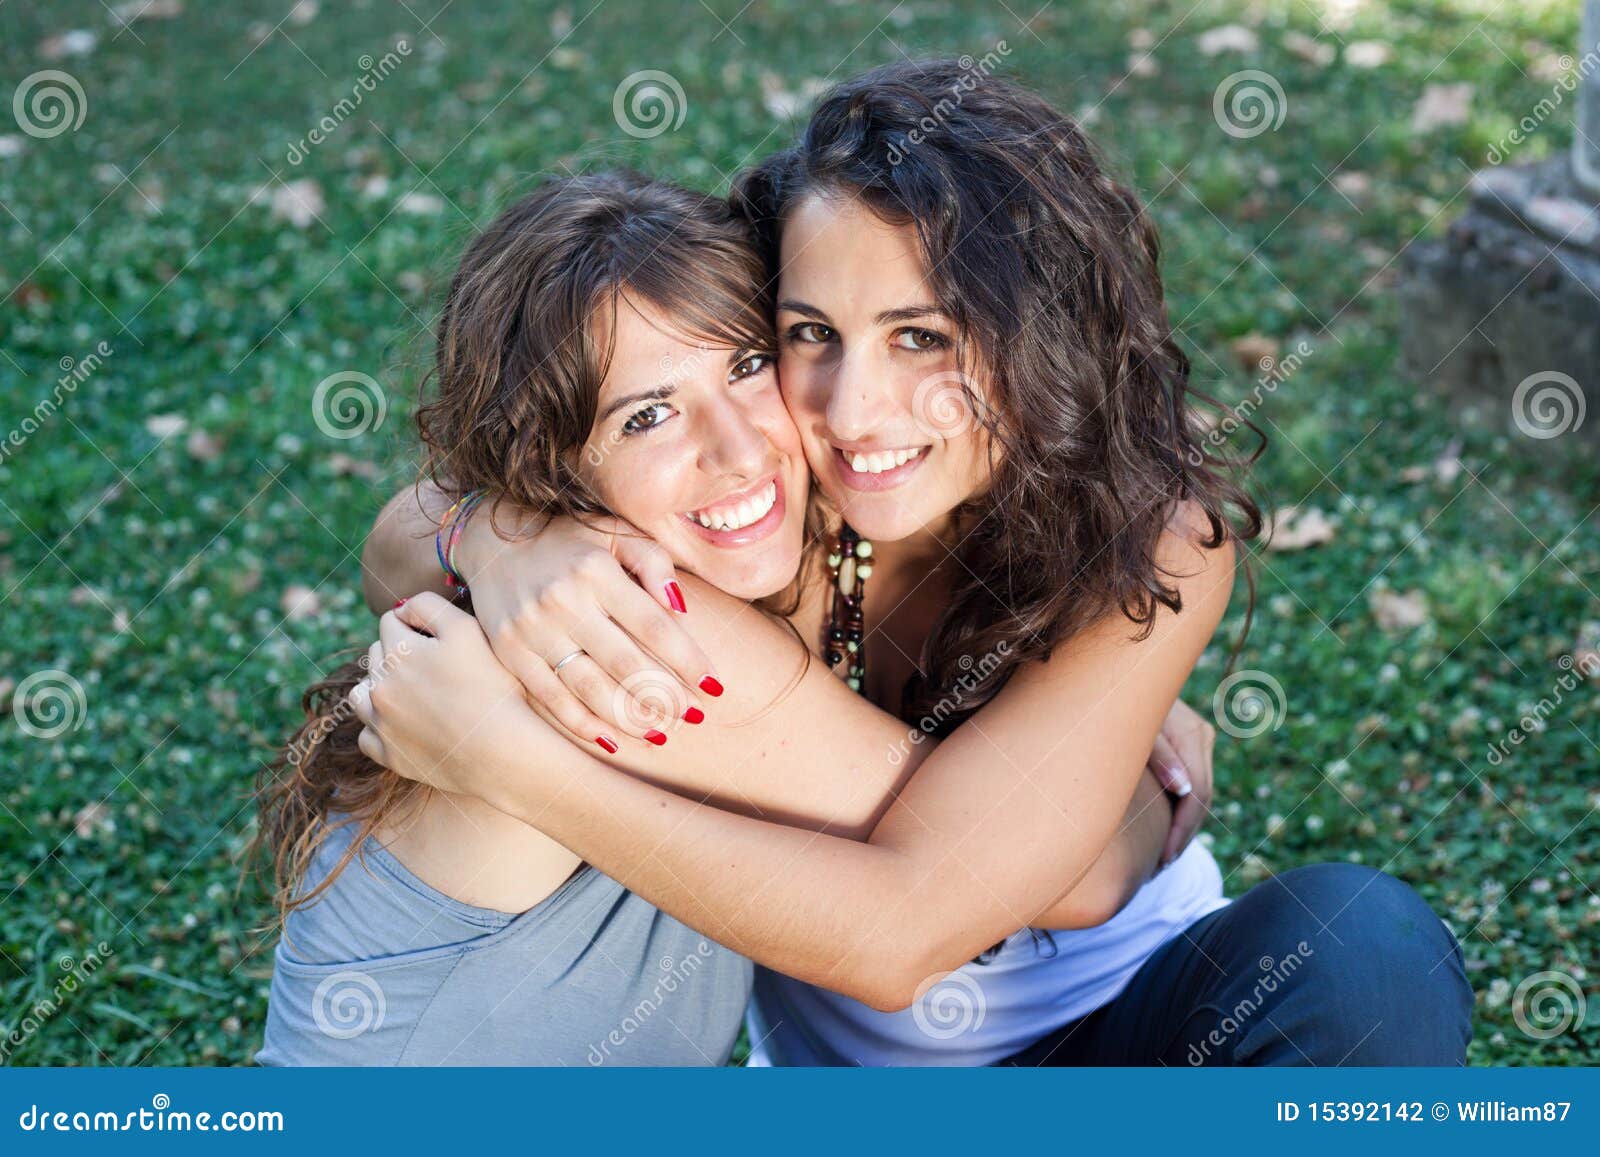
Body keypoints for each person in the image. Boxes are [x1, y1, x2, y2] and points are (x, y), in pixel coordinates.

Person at [355, 60, 1474, 1065]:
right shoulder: (750, 518)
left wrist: (514, 762)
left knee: (1364, 943)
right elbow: (413, 522)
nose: (852, 411)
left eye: (921, 337)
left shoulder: (1155, 540)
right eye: (807, 334)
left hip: (1145, 1037)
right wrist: (498, 535)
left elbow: (918, 929)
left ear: (1039, 340)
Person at [255, 169, 1173, 1067]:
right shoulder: (639, 624)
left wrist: (483, 534)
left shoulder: (566, 568)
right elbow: (1065, 872)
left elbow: (415, 522)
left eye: (746, 367)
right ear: (550, 466)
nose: (738, 451)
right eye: (648, 415)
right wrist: (1121, 742)